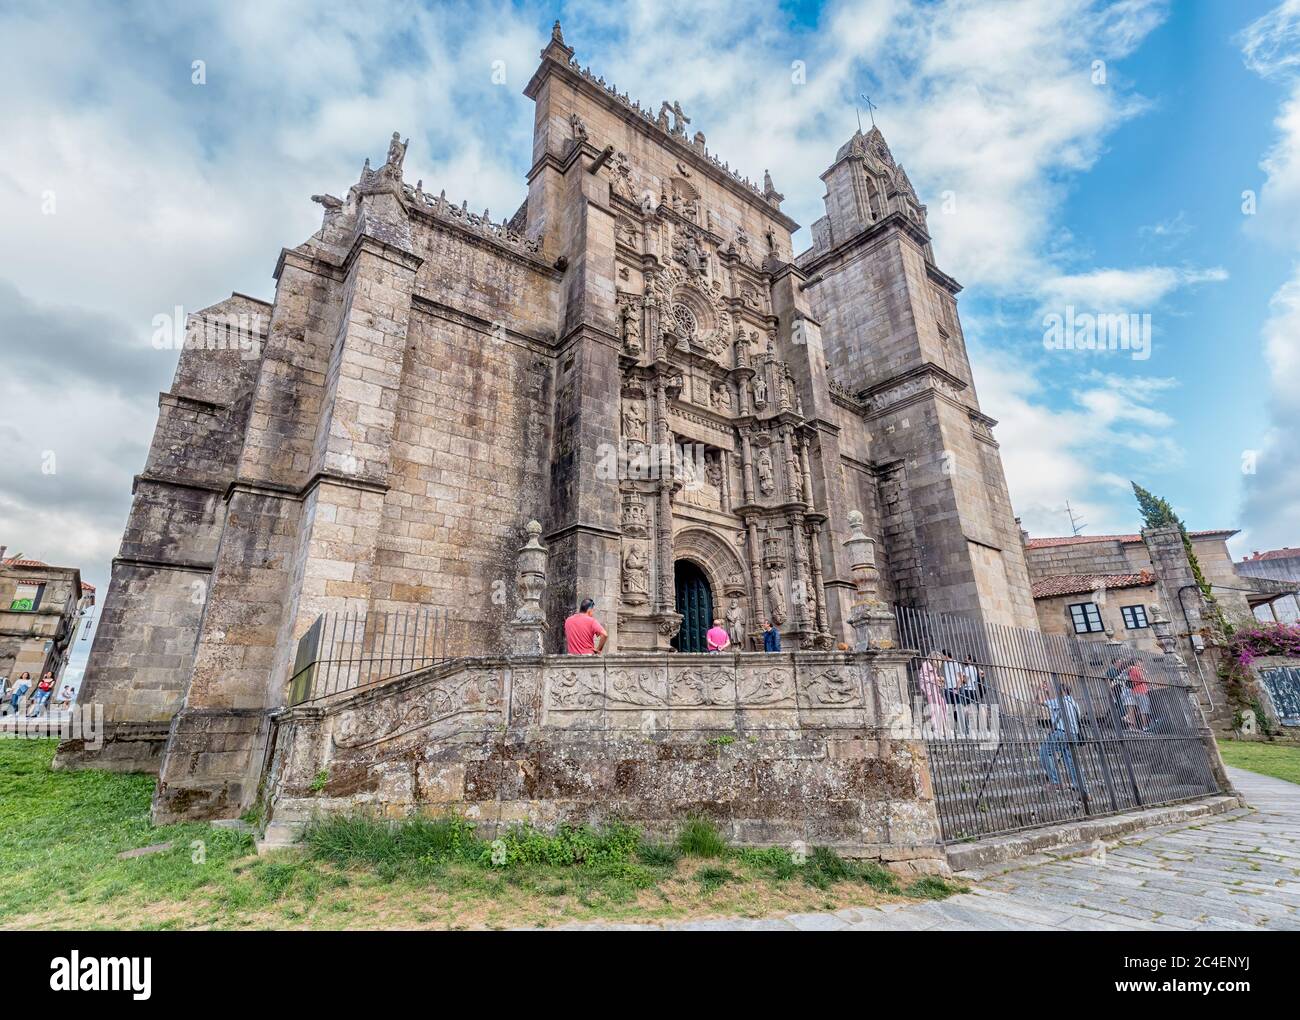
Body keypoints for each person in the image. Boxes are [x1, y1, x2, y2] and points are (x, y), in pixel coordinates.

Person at [1039, 677, 1082, 794]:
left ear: (1062, 692)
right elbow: (1053, 706)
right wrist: (1048, 692)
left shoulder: (1059, 701)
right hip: (1073, 735)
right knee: (1071, 761)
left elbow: (1040, 702)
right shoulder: (1074, 703)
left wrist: (1041, 690)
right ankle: (1081, 787)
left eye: (1058, 691)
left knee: (1044, 752)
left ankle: (1055, 781)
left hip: (1060, 733)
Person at [918, 652, 948, 738]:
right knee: (935, 709)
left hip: (935, 690)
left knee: (944, 706)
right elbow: (923, 677)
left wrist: (939, 682)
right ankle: (937, 730)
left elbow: (934, 679)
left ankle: (943, 728)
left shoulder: (933, 667)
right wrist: (936, 678)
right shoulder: (926, 665)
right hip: (929, 690)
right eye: (937, 660)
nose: (939, 662)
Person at [1128, 659, 1151, 731]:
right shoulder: (1136, 669)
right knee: (1144, 710)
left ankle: (1133, 727)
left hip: (1135, 691)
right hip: (1141, 691)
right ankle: (1144, 727)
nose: (1142, 664)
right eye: (1140, 662)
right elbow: (1142, 679)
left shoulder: (1131, 670)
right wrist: (1149, 682)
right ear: (1136, 662)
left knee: (1135, 711)